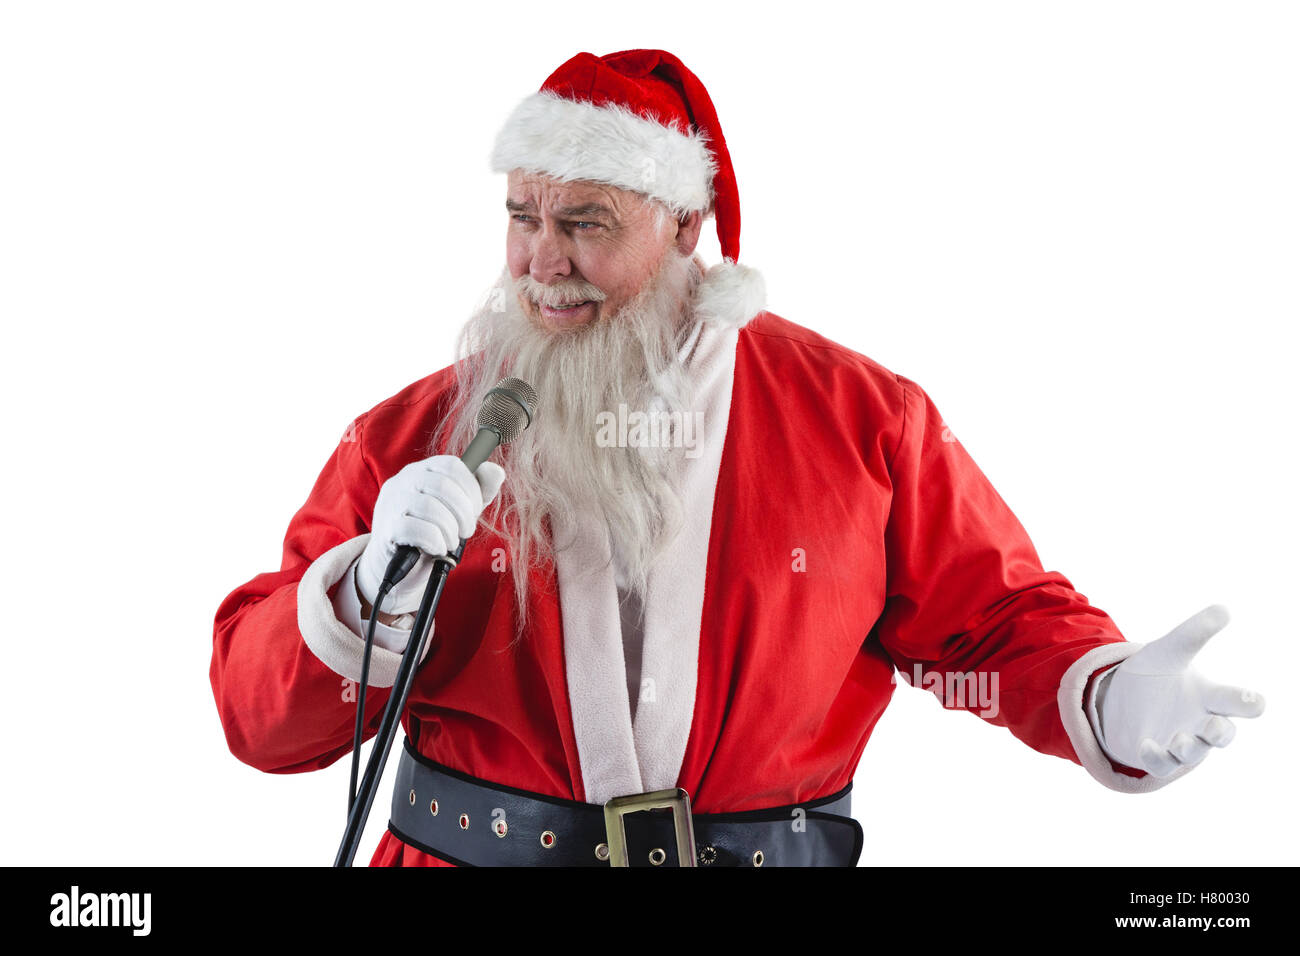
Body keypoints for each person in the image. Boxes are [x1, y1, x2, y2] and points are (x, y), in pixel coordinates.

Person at [211, 48, 1265, 867]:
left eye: (584, 221)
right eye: (520, 216)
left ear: (682, 227)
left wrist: (1100, 691)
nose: (541, 261)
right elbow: (257, 718)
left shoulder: (860, 417)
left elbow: (990, 622)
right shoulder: (410, 441)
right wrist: (358, 601)